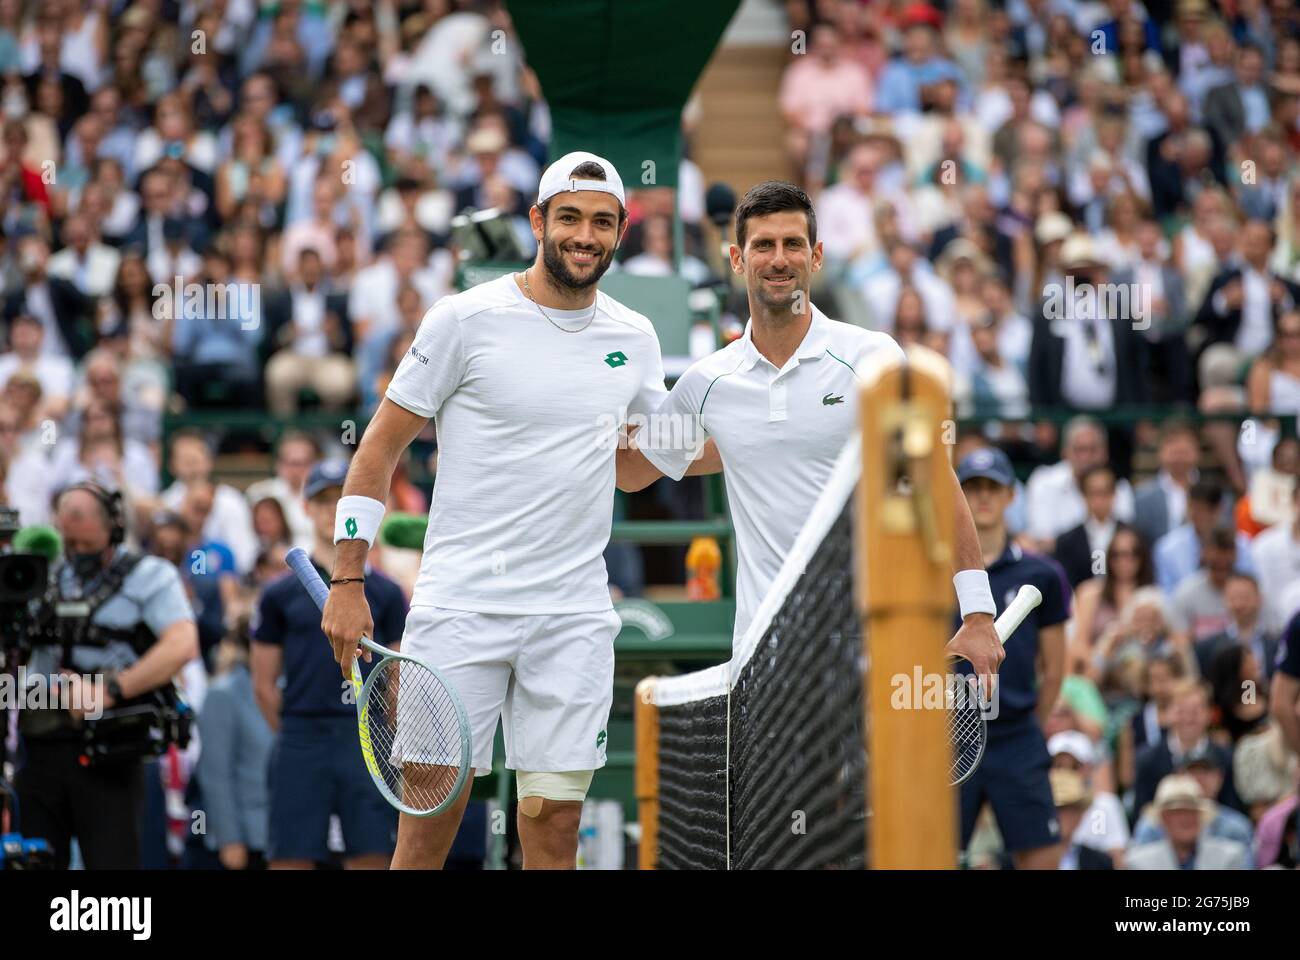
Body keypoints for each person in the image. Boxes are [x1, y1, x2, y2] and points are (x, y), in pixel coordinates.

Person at [320, 152, 712, 870]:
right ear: (538, 221)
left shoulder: (634, 337)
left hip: (571, 615)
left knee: (555, 824)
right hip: (461, 606)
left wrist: (772, 438)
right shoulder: (463, 320)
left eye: (601, 222)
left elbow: (636, 466)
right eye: (569, 217)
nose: (584, 235)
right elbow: (377, 449)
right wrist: (348, 579)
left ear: (620, 233)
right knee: (428, 827)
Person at [616, 180, 1004, 677]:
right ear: (737, 259)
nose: (779, 259)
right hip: (762, 661)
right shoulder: (707, 382)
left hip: (866, 652)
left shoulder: (874, 357)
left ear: (816, 256)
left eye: (792, 244)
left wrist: (977, 611)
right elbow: (632, 473)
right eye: (763, 245)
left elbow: (932, 476)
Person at [14, 481, 198, 869]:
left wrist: (109, 690)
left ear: (114, 529)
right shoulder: (43, 575)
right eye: (71, 545)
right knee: (35, 860)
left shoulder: (150, 576)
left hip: (111, 746)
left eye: (87, 546)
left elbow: (183, 643)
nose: (78, 555)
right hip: (43, 743)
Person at [251, 460, 407, 870]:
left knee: (374, 857)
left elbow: (395, 680)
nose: (331, 510)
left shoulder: (388, 594)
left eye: (341, 500)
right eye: (322, 500)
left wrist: (380, 734)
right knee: (291, 858)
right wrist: (294, 730)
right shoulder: (279, 594)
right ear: (305, 508)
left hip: (365, 739)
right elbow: (263, 684)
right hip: (301, 737)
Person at [946, 447, 1068, 869]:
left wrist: (1031, 723)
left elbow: (1054, 668)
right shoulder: (932, 573)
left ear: (1010, 496)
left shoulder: (1042, 575)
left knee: (1042, 854)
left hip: (1016, 733)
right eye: (972, 488)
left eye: (992, 488)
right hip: (946, 736)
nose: (982, 497)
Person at [194, 616, 273, 870]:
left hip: (290, 840)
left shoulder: (292, 689)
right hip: (249, 841)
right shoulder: (223, 694)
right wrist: (229, 839)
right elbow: (215, 773)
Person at [1124, 774, 1250, 870]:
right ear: (1163, 819)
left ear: (1200, 816)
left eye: (1191, 812)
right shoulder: (1138, 864)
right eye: (1177, 813)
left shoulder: (1230, 857)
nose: (1185, 819)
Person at [1051, 769, 1113, 870]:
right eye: (1057, 808)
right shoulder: (1024, 858)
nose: (1061, 815)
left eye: (1070, 808)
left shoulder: (1100, 861)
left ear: (1080, 814)